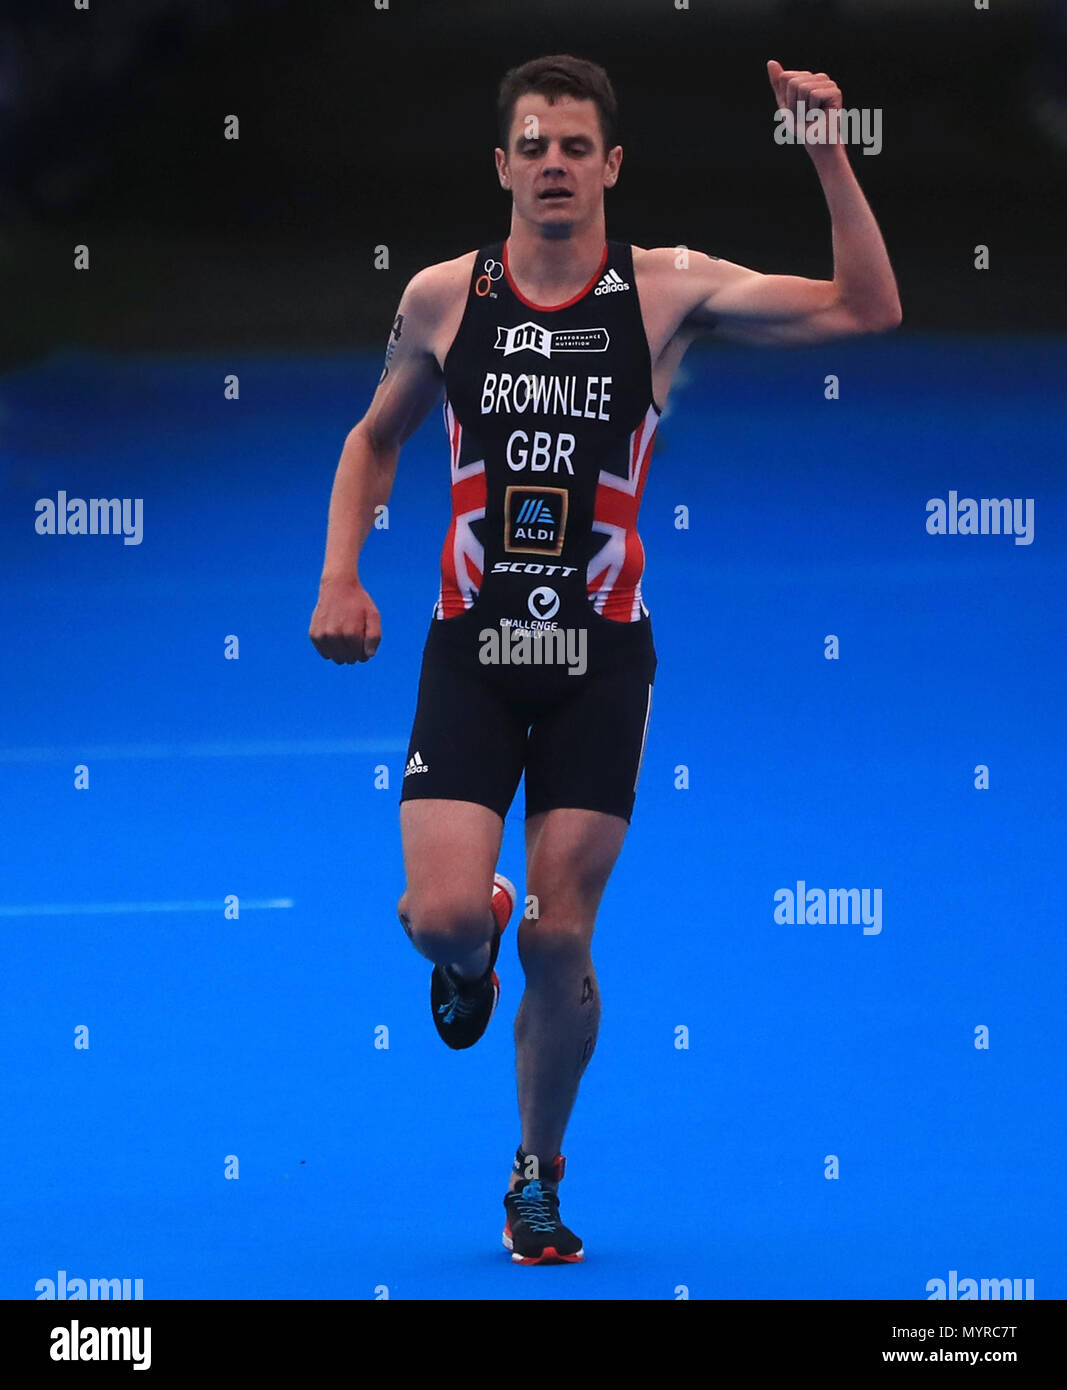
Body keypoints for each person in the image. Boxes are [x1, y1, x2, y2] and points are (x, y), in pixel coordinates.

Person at [309, 53, 901, 1265]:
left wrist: (827, 148)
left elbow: (863, 307)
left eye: (575, 146)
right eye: (531, 145)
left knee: (561, 938)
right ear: (502, 168)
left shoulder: (665, 291)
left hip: (598, 661)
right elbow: (372, 442)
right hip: (471, 649)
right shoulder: (440, 298)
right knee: (436, 922)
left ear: (610, 166)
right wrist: (338, 575)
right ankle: (469, 934)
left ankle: (535, 1169)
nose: (553, 164)